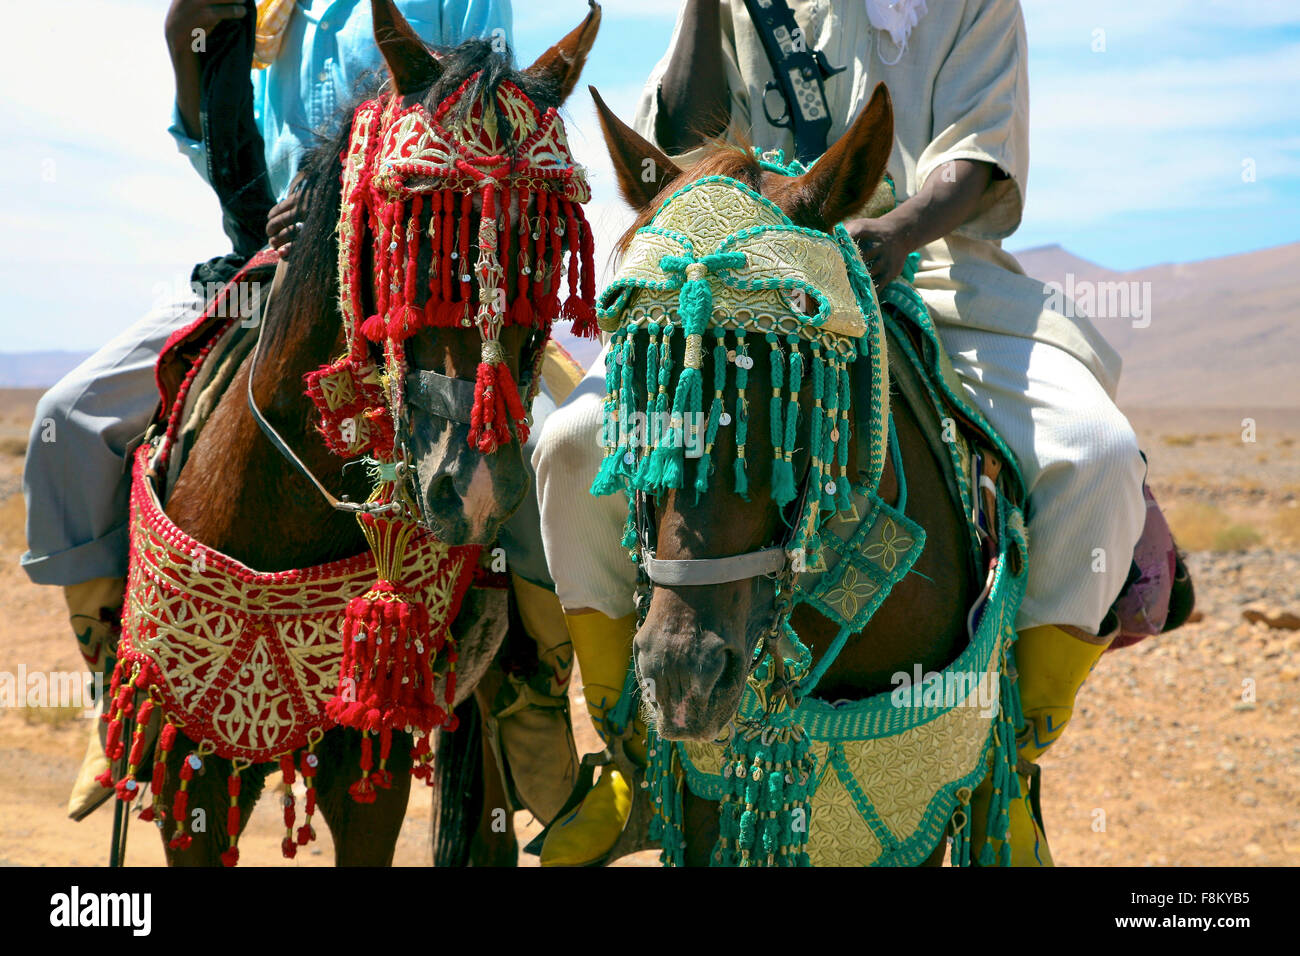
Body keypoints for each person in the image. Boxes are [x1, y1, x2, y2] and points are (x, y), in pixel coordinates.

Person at [532, 0, 1146, 865]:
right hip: (750, 279)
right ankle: (631, 748)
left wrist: (895, 229)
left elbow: (978, 153)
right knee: (571, 441)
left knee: (1097, 455)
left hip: (934, 272)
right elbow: (682, 135)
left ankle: (1011, 760)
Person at [22, 0, 551, 822]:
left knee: (543, 453)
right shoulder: (261, 7)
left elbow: (489, 110)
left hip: (419, 275)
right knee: (70, 416)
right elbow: (215, 148)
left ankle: (531, 715)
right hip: (265, 268)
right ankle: (114, 685)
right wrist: (183, 44)